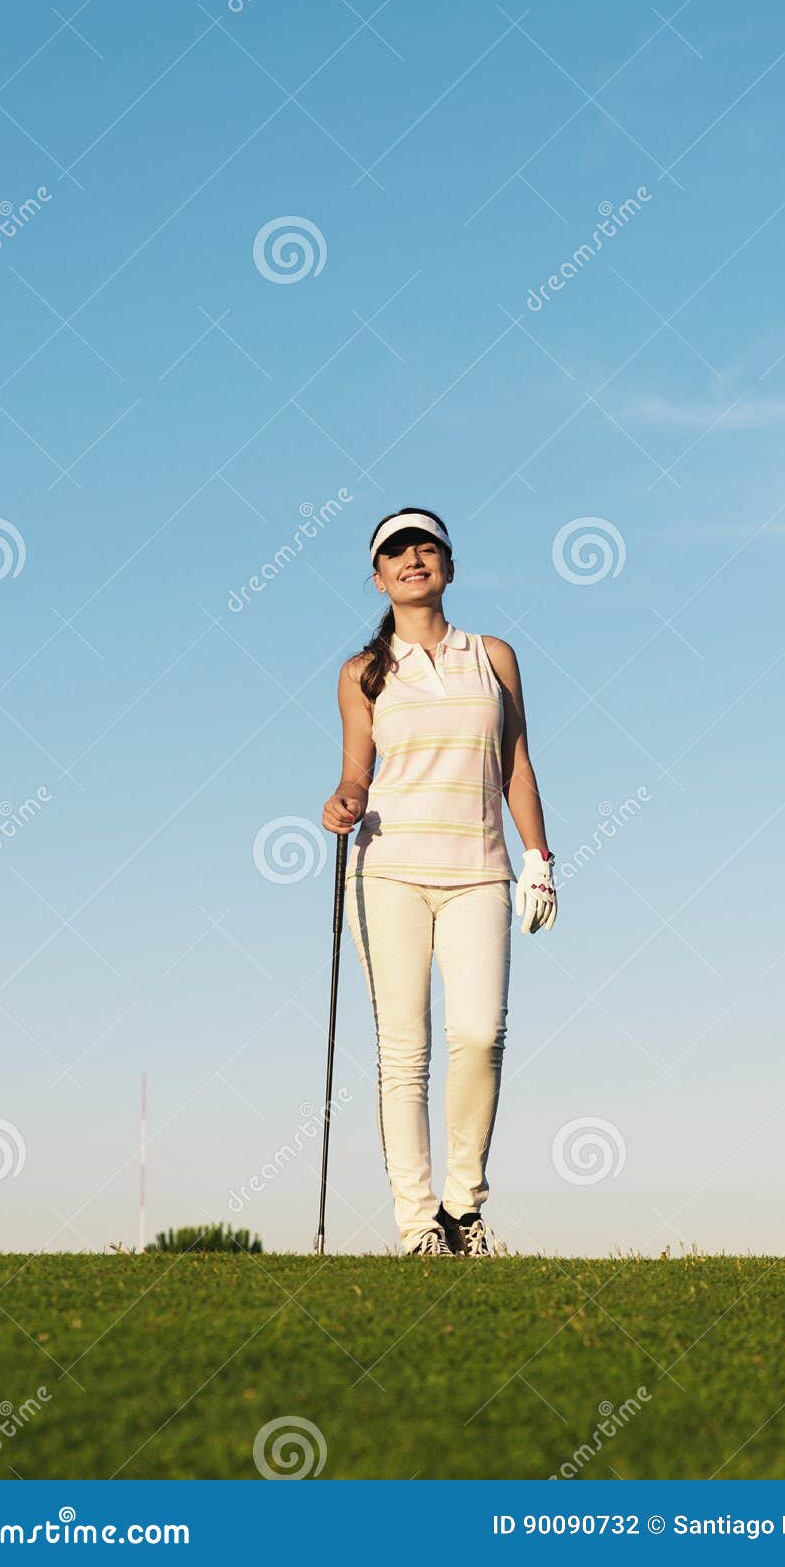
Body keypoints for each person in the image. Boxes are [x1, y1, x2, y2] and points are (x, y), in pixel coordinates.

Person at [321, 507, 557, 1257]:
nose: (412, 559)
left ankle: (464, 1206)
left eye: (426, 548)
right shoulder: (362, 673)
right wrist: (346, 798)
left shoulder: (493, 656)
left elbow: (515, 764)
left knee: (481, 1035)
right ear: (378, 576)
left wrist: (539, 859)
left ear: (448, 568)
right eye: (396, 552)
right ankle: (419, 1224)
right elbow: (358, 767)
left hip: (480, 871)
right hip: (387, 870)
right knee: (404, 1049)